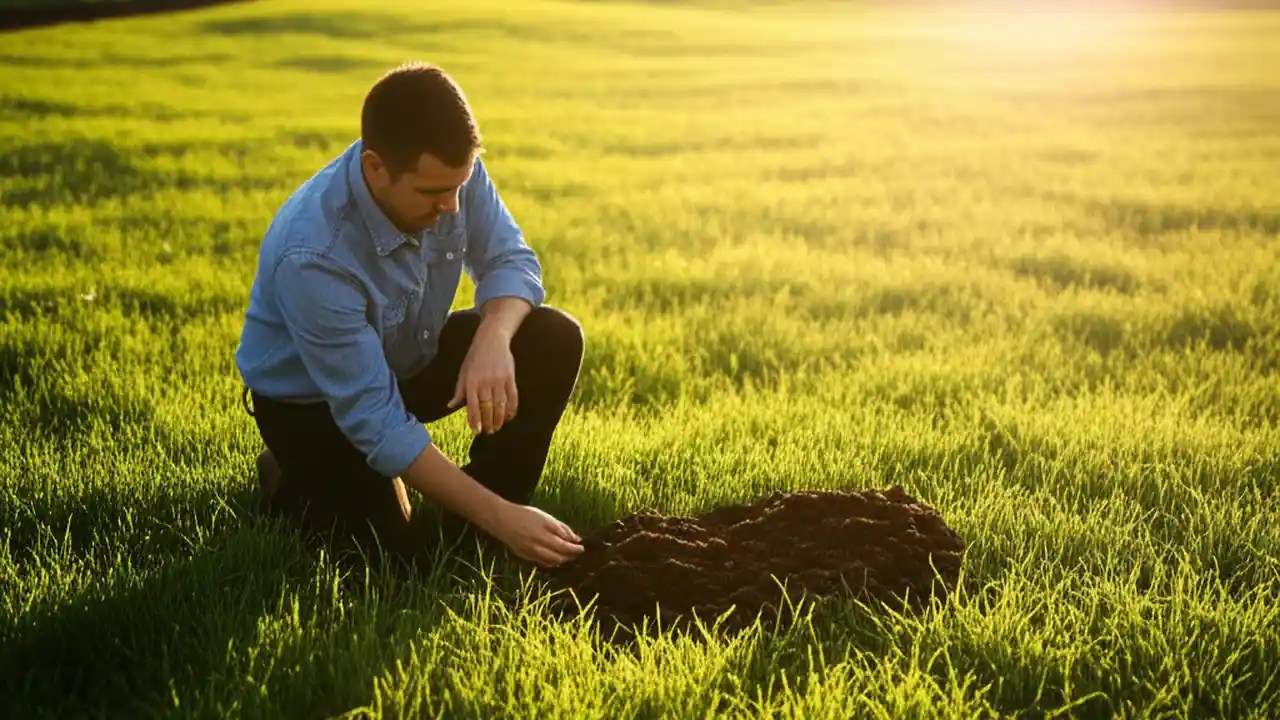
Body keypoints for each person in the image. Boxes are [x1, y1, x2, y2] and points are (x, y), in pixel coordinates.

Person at [234, 61, 586, 568]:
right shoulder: (313, 253)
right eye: (432, 194)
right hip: (315, 408)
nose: (450, 205)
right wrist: (508, 517)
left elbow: (511, 261)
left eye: (458, 188)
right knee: (391, 564)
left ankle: (478, 534)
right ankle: (289, 475)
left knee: (550, 337)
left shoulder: (451, 176)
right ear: (376, 168)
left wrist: (493, 339)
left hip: (403, 357)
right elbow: (376, 420)